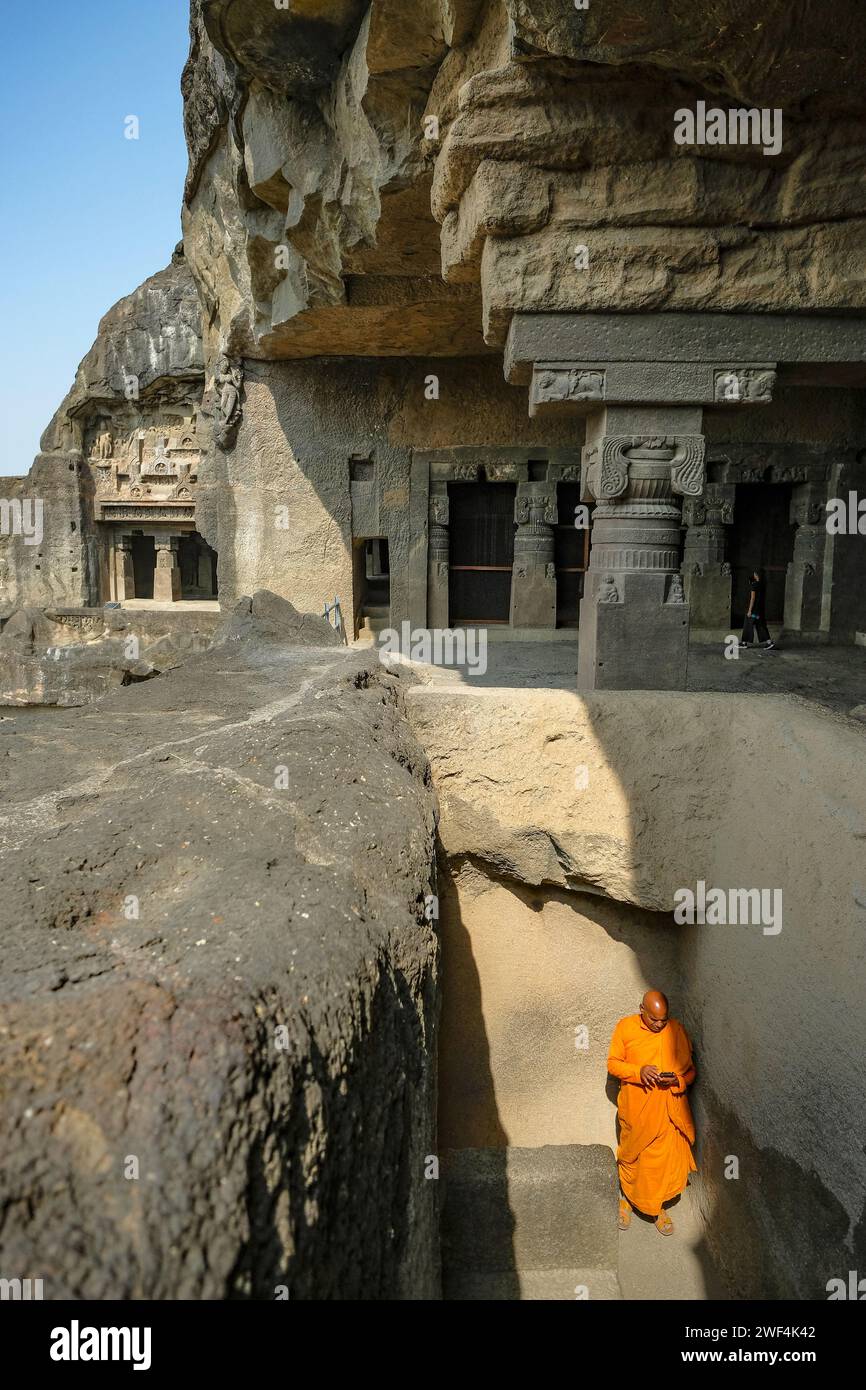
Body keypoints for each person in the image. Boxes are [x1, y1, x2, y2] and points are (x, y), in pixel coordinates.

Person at [607, 990, 697, 1235]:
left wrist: (677, 1081)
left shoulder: (676, 1031)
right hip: (638, 1111)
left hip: (669, 1111)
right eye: (653, 1019)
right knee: (636, 1159)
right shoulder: (625, 1028)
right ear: (641, 1010)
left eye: (663, 1019)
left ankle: (656, 1208)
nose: (659, 1024)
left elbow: (691, 1073)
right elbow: (613, 1063)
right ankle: (627, 1199)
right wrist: (639, 1072)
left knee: (660, 1164)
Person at [740, 568, 775, 648]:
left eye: (754, 574)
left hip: (754, 610)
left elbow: (753, 598)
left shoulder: (754, 585)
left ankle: (744, 643)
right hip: (760, 610)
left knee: (747, 624)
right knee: (761, 625)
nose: (753, 575)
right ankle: (769, 643)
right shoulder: (763, 584)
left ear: (756, 575)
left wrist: (749, 610)